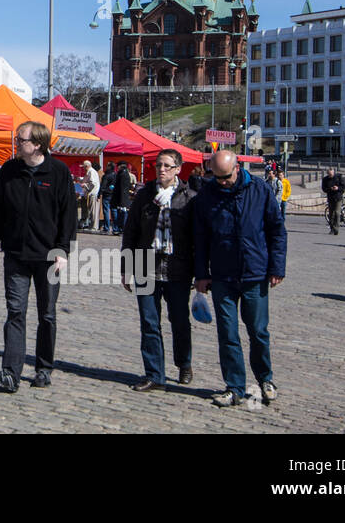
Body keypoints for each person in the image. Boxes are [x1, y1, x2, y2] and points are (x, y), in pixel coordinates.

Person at [0, 121, 78, 391]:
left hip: (49, 256)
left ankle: (43, 368)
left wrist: (63, 250)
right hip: (15, 254)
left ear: (37, 144)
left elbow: (68, 215)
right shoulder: (9, 171)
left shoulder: (58, 172)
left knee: (47, 314)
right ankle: (10, 373)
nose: (17, 142)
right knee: (15, 312)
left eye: (21, 139)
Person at [193, 149, 286, 407]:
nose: (221, 182)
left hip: (255, 273)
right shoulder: (207, 195)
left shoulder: (260, 190)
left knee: (258, 331)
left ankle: (265, 378)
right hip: (223, 275)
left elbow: (277, 230)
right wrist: (201, 274)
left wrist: (277, 267)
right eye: (216, 177)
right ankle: (234, 386)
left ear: (237, 168)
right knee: (227, 333)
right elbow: (200, 239)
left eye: (225, 177)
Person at [121, 148, 194, 391]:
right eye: (158, 165)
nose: (161, 170)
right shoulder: (144, 196)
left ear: (178, 169)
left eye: (166, 166)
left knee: (179, 320)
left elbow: (198, 239)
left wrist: (200, 272)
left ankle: (184, 363)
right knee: (149, 322)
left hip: (177, 270)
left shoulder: (190, 198)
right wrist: (126, 267)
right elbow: (131, 232)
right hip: (146, 267)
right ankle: (155, 374)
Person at [111, 161, 133, 235]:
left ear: (120, 166)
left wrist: (121, 200)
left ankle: (121, 229)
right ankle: (120, 228)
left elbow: (121, 188)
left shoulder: (122, 174)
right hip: (122, 198)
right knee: (121, 214)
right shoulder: (125, 173)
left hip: (121, 198)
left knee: (122, 214)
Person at [321, 167, 344, 235]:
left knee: (337, 213)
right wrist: (330, 189)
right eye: (329, 174)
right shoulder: (325, 179)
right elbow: (324, 189)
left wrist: (337, 188)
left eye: (331, 174)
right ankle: (332, 228)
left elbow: (343, 187)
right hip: (330, 198)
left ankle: (336, 229)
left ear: (334, 172)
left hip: (338, 197)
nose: (330, 175)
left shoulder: (339, 177)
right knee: (331, 214)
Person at [79, 159, 101, 231]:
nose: (83, 168)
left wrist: (85, 185)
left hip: (92, 194)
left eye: (84, 167)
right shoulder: (89, 172)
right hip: (90, 194)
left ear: (87, 166)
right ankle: (91, 226)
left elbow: (93, 183)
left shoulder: (91, 172)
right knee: (90, 211)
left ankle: (94, 227)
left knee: (93, 211)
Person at [99, 162, 117, 233]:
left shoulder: (106, 175)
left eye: (107, 166)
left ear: (109, 167)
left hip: (107, 195)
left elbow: (103, 185)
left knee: (106, 211)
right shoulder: (116, 175)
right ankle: (115, 228)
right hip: (114, 194)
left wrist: (100, 193)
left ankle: (107, 227)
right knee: (114, 211)